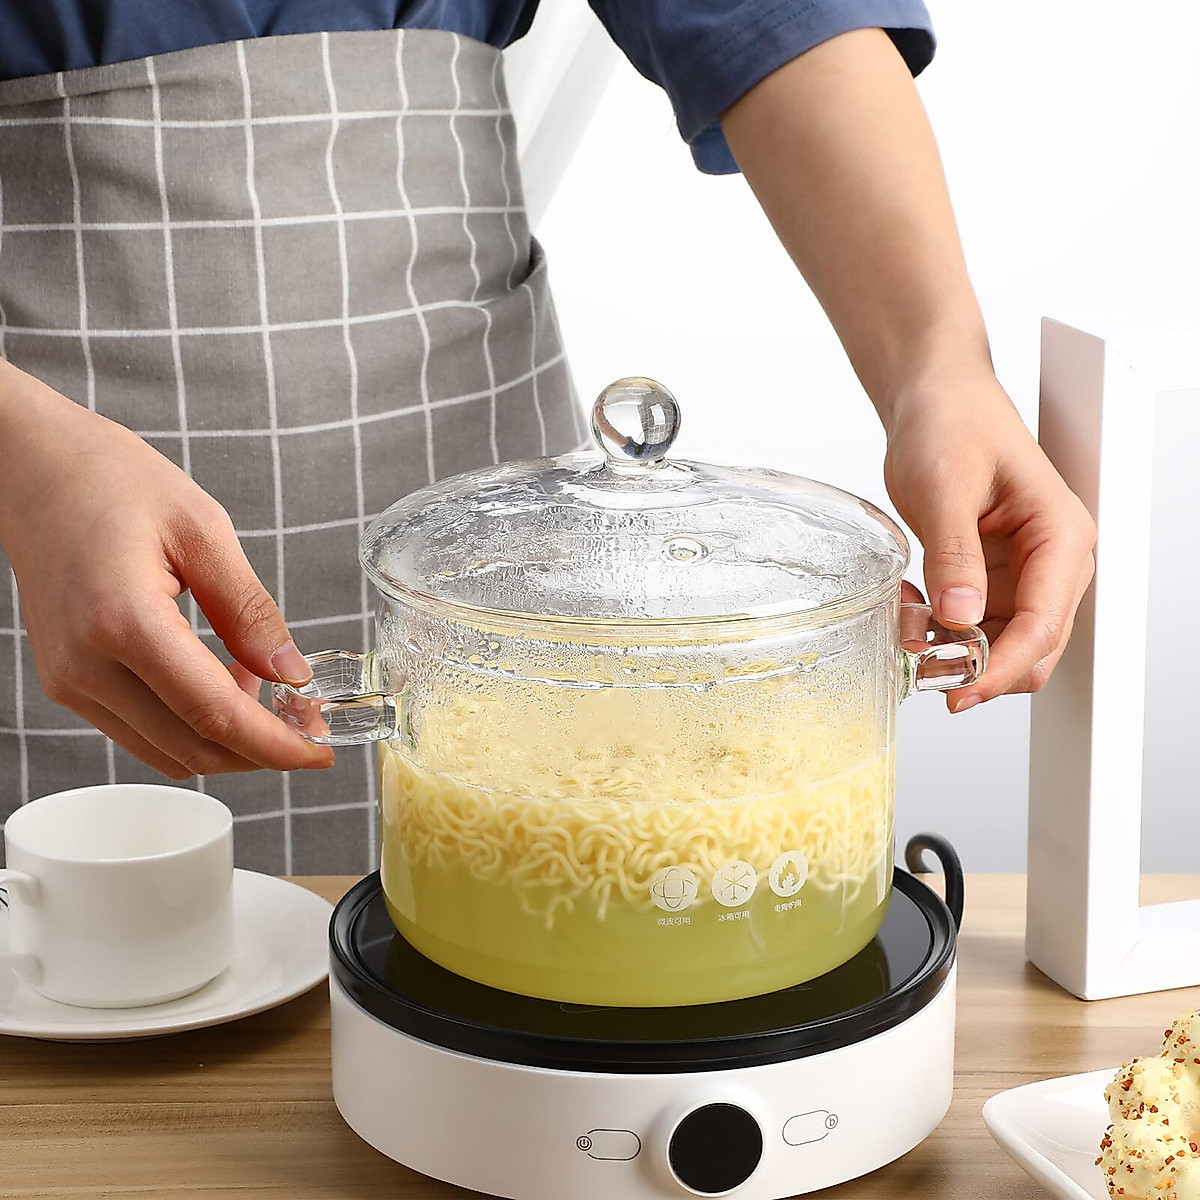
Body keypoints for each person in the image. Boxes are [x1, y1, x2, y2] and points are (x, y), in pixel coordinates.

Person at [0, 3, 1096, 874]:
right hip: (39, 469)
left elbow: (774, 16)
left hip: (468, 430)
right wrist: (22, 458)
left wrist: (939, 366)